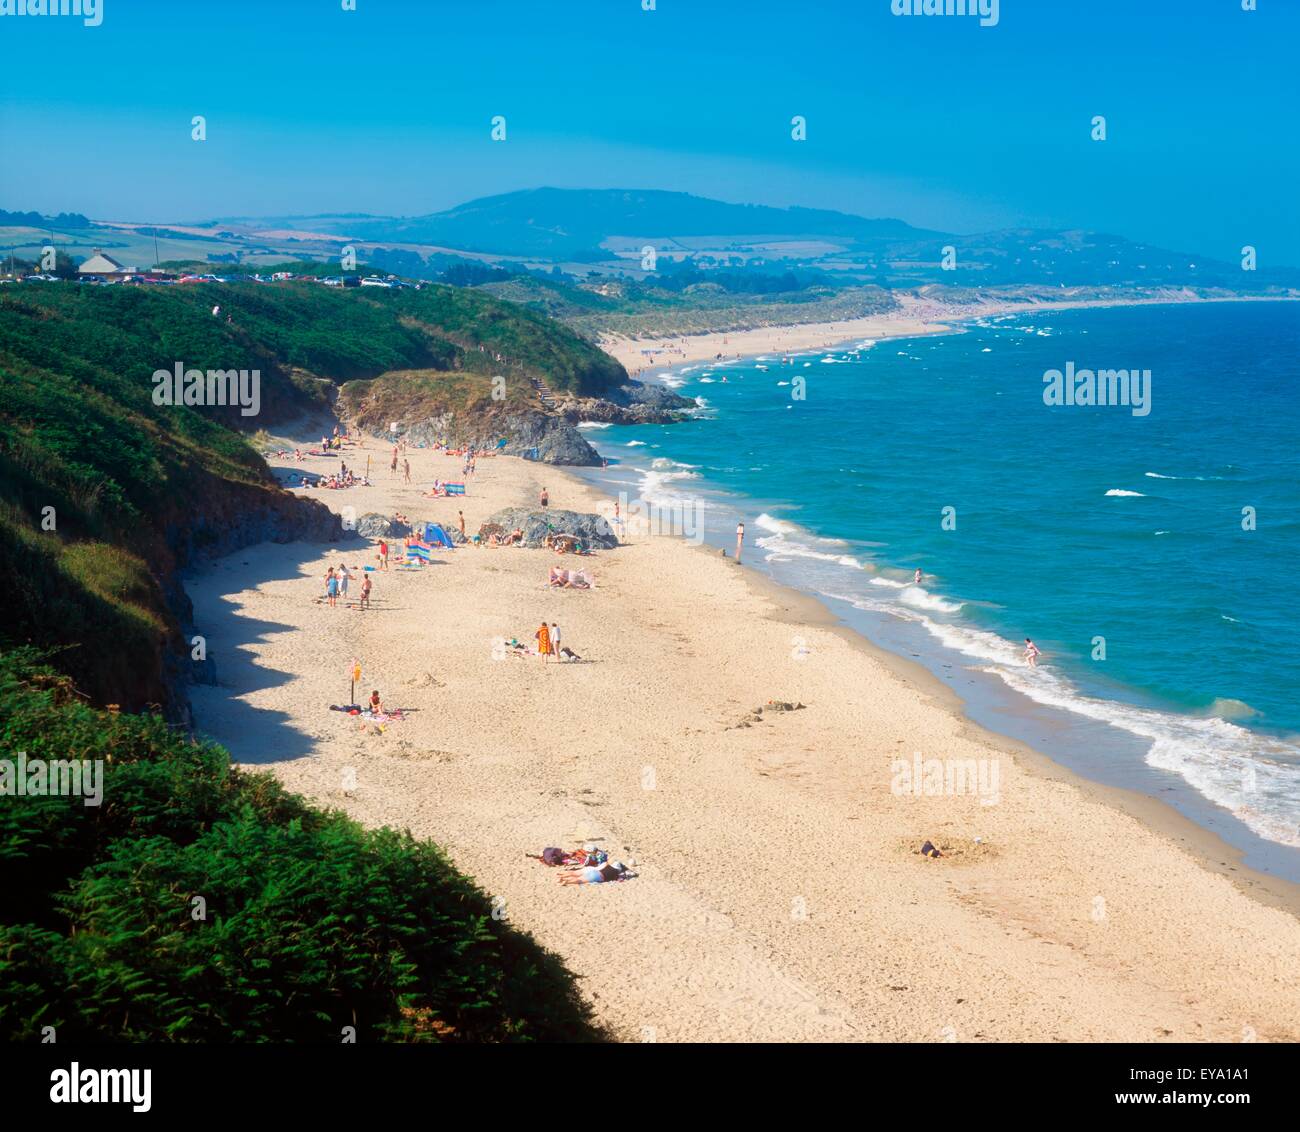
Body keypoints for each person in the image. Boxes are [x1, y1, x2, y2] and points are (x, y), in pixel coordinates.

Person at [558, 861, 627, 885]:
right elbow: (618, 879)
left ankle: (562, 876)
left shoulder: (606, 865)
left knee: (575, 874)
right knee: (579, 880)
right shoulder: (616, 873)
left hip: (595, 871)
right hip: (598, 876)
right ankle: (566, 881)